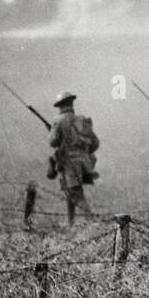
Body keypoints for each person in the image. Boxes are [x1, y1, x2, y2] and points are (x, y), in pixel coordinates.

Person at [47, 90, 99, 226]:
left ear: (60, 106)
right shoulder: (81, 119)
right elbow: (95, 142)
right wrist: (84, 153)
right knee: (70, 191)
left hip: (70, 164)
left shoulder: (58, 121)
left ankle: (94, 223)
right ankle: (71, 224)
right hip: (85, 163)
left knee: (75, 194)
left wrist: (54, 132)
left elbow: (52, 142)